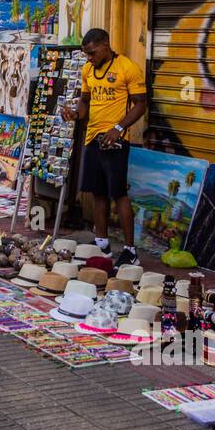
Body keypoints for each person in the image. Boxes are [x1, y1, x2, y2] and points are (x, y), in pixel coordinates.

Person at [61, 27, 147, 267]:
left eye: (92, 52)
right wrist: (75, 114)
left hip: (116, 141)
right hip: (93, 138)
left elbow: (141, 105)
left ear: (105, 45)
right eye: (86, 54)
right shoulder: (88, 69)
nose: (89, 58)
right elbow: (85, 101)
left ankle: (130, 250)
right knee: (97, 193)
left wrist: (118, 129)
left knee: (118, 193)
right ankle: (103, 244)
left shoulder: (127, 68)